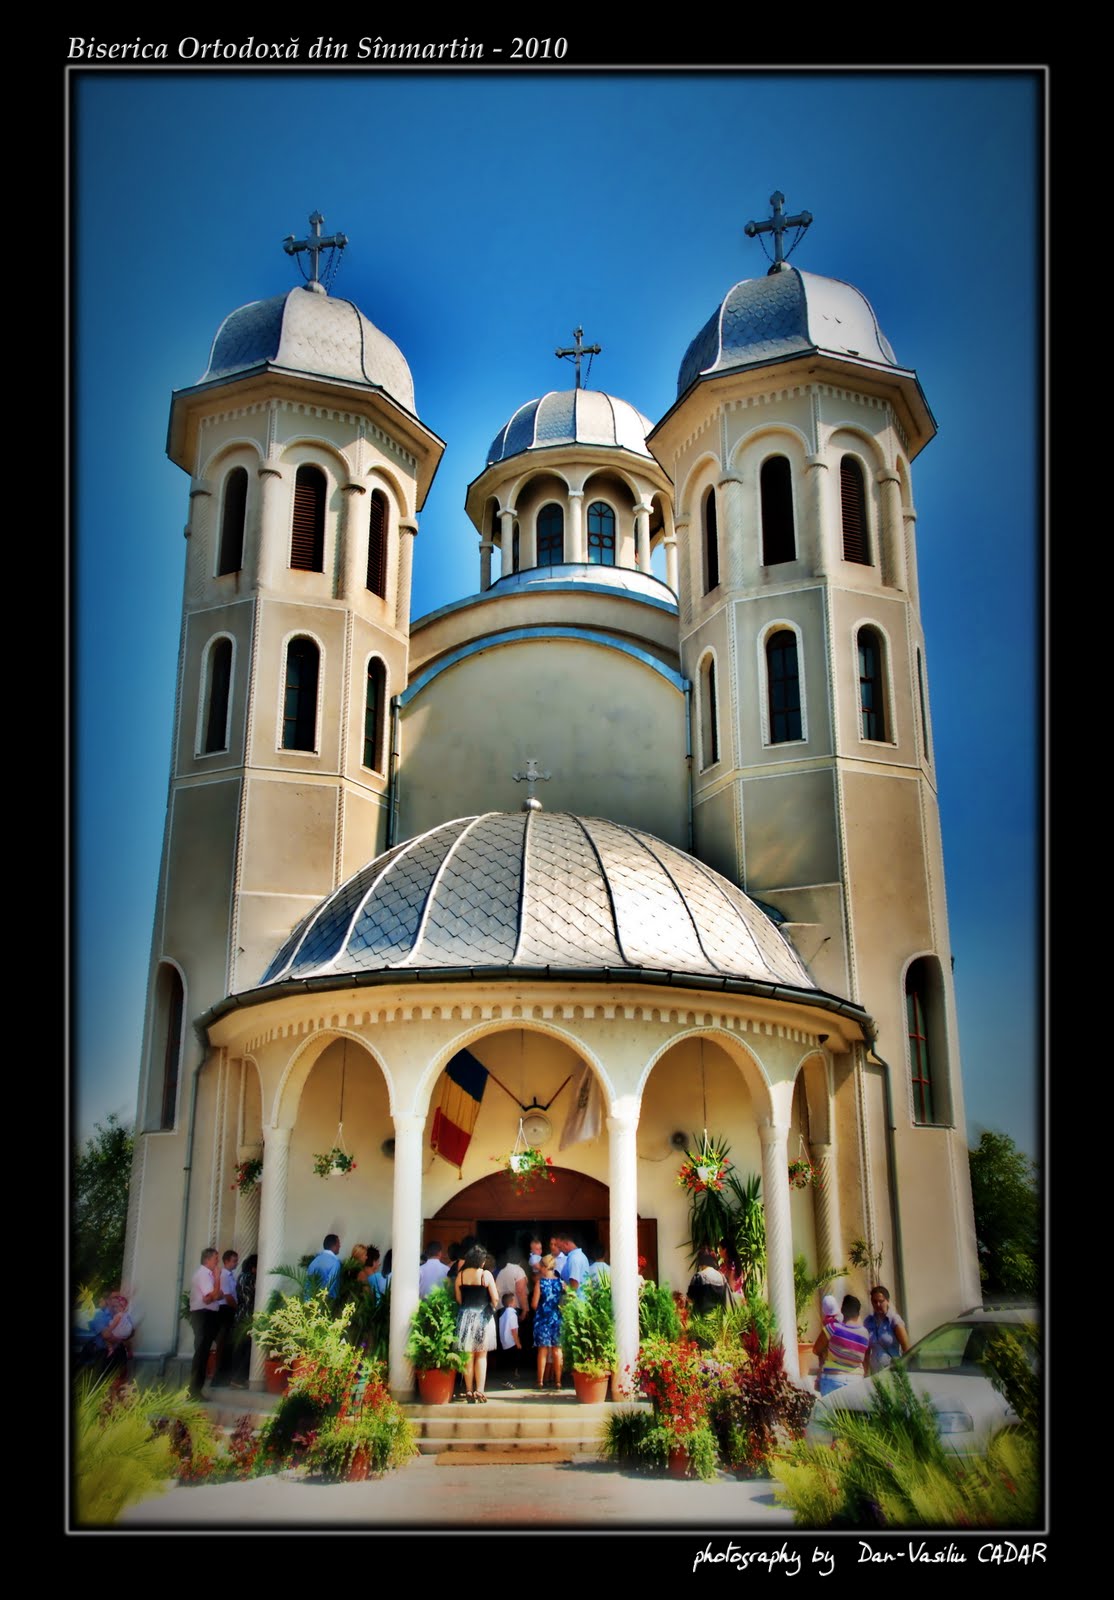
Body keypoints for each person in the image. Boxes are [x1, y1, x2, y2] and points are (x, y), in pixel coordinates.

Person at [453, 1243, 499, 1402]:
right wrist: (492, 1307)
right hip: (482, 1317)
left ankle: (468, 1390)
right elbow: (495, 1298)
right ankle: (480, 1389)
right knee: (481, 1355)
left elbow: (459, 1299)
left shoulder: (460, 1275)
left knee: (468, 1355)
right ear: (481, 1260)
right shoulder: (485, 1275)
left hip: (465, 1316)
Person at [813, 1294, 871, 1396]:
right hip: (856, 1381)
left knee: (830, 1412)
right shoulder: (865, 1334)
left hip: (832, 1379)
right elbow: (866, 1359)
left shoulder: (832, 1328)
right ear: (858, 1314)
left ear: (842, 1311)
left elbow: (816, 1350)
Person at [188, 1247, 224, 1400]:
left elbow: (219, 1295)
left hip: (209, 1315)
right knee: (201, 1353)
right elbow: (210, 1297)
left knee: (204, 1352)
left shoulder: (206, 1275)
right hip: (203, 1315)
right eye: (216, 1258)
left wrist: (216, 1293)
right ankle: (194, 1391)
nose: (217, 1261)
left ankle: (196, 1389)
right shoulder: (203, 1274)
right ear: (207, 1259)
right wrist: (217, 1279)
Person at [531, 1253, 565, 1390]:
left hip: (543, 1318)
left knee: (543, 1351)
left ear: (544, 1267)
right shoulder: (561, 1283)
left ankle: (540, 1381)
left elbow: (534, 1304)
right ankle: (558, 1381)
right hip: (556, 1317)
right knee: (557, 1351)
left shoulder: (540, 1283)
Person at [863, 1285, 909, 1374]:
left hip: (893, 1372)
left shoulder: (895, 1320)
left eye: (881, 1301)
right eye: (875, 1302)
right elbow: (866, 1353)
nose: (878, 1305)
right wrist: (865, 1374)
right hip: (875, 1374)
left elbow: (906, 1348)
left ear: (887, 1301)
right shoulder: (868, 1322)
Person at [229, 1252, 257, 1389]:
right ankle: (240, 1378)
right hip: (248, 1316)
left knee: (239, 1348)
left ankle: (234, 1377)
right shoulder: (252, 1279)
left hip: (239, 1315)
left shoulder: (240, 1277)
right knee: (250, 1348)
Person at [214, 1249, 239, 1378]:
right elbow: (228, 1296)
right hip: (225, 1309)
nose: (236, 1263)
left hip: (228, 1309)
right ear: (226, 1261)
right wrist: (237, 1308)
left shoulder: (230, 1275)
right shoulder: (224, 1276)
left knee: (228, 1341)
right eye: (234, 1261)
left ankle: (224, 1372)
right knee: (223, 1342)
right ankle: (219, 1374)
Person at [687, 1249, 730, 1316]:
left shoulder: (698, 1277)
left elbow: (690, 1299)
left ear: (700, 1261)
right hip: (718, 1321)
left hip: (701, 1321)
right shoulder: (722, 1277)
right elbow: (726, 1300)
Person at [305, 1234, 342, 1300]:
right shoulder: (335, 1263)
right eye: (338, 1243)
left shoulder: (315, 1261)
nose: (340, 1246)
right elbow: (330, 1286)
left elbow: (308, 1283)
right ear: (335, 1245)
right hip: (324, 1304)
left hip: (309, 1301)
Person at [498, 1291, 522, 1383]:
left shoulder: (503, 1314)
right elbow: (514, 1330)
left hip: (504, 1341)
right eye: (515, 1301)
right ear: (511, 1303)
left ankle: (507, 1378)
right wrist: (518, 1342)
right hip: (511, 1342)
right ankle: (510, 1378)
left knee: (506, 1361)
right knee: (513, 1361)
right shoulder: (512, 1314)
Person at [560, 1232, 590, 1297]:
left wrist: (564, 1288)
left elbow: (574, 1284)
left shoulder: (574, 1258)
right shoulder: (581, 1255)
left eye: (561, 1247)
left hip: (576, 1302)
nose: (561, 1250)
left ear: (566, 1243)